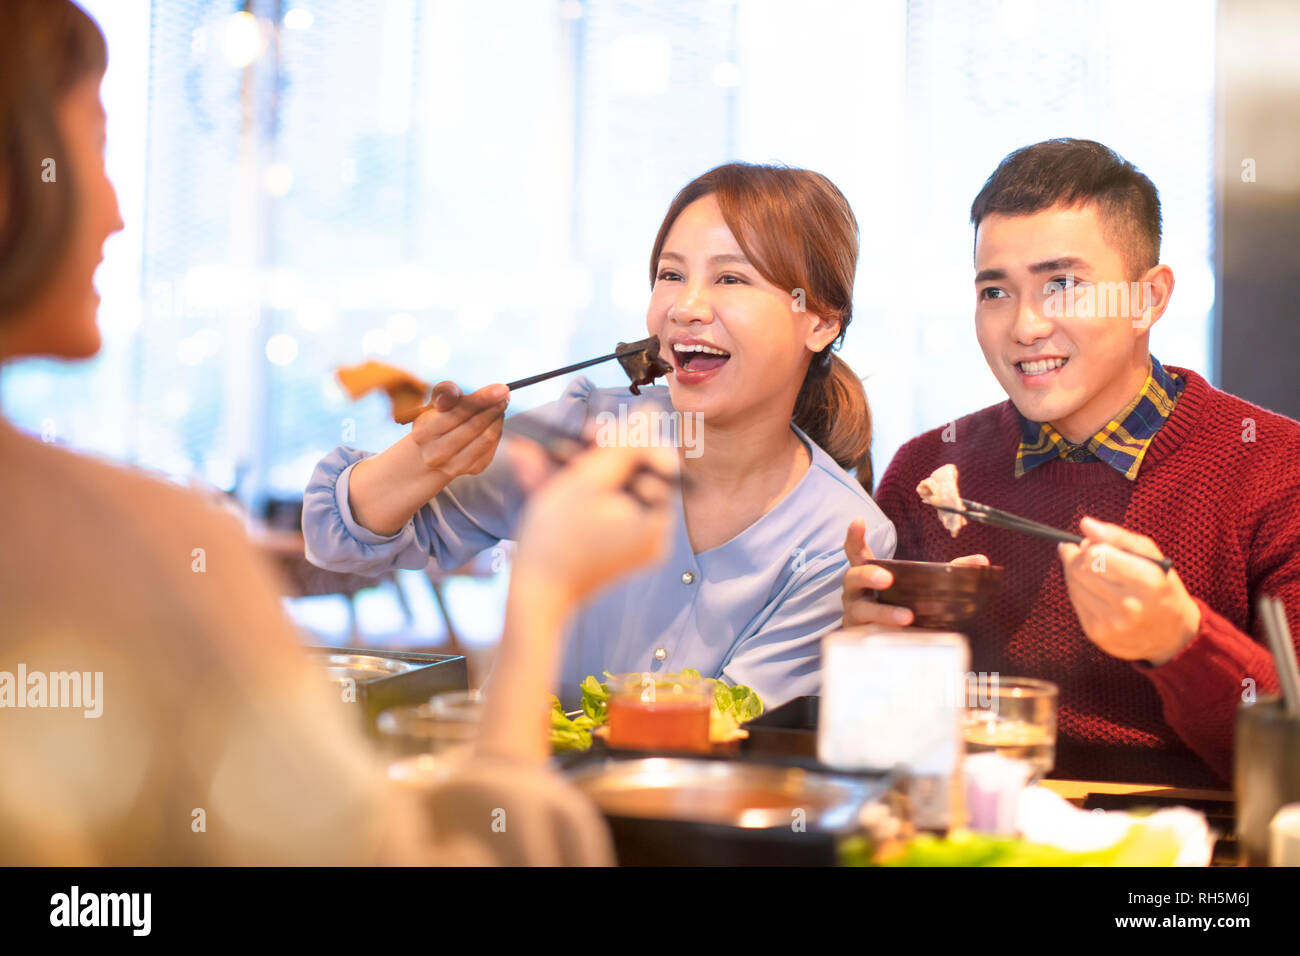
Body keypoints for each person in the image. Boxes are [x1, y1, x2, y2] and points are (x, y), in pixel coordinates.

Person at [0, 0, 676, 865]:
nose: (120, 216)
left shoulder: (828, 515)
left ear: (816, 322)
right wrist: (533, 588)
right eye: (95, 145)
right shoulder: (131, 548)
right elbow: (343, 531)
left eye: (733, 277)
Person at [304, 163, 896, 709]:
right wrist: (424, 459)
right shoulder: (588, 433)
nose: (685, 307)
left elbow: (724, 729)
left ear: (819, 320)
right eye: (671, 274)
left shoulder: (839, 537)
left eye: (732, 278)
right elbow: (337, 542)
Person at [842, 138, 1300, 788]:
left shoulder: (1276, 468)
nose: (1025, 325)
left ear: (1148, 298)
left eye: (1062, 285)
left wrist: (1182, 641)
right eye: (996, 292)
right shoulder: (928, 472)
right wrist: (868, 656)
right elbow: (882, 755)